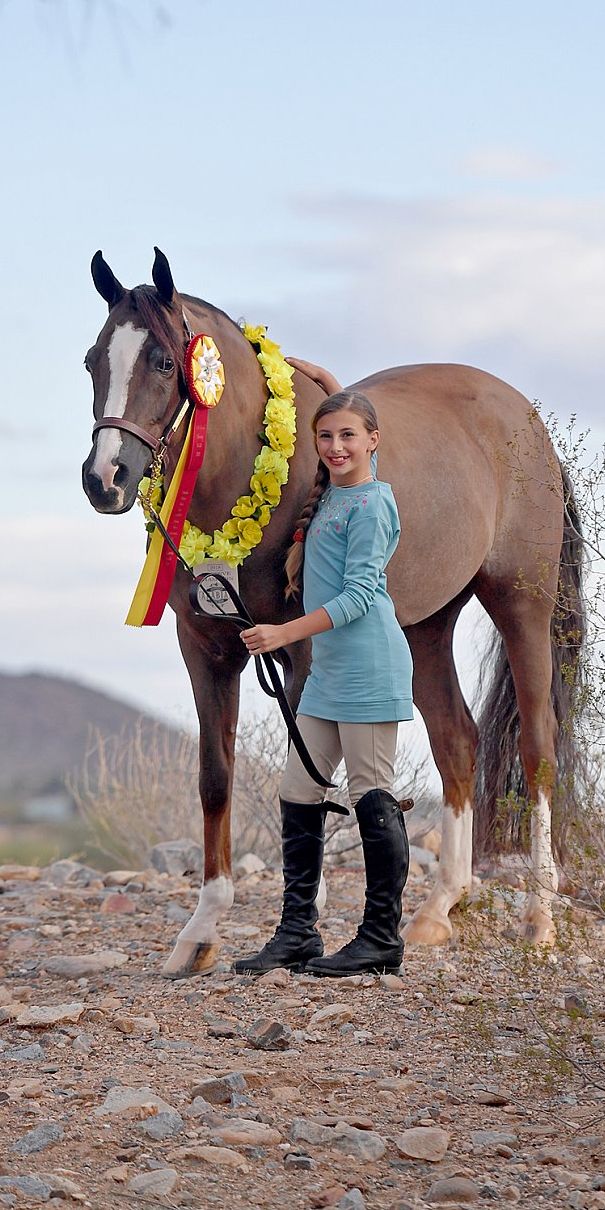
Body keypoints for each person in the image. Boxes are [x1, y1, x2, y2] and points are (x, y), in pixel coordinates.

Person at [233, 386, 414, 977]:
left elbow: (362, 595)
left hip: (369, 666)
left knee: (371, 793)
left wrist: (285, 635)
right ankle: (296, 933)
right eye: (326, 436)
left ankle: (381, 938)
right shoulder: (331, 501)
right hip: (329, 672)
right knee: (297, 789)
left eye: (348, 436)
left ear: (373, 441)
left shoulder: (372, 504)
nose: (336, 447)